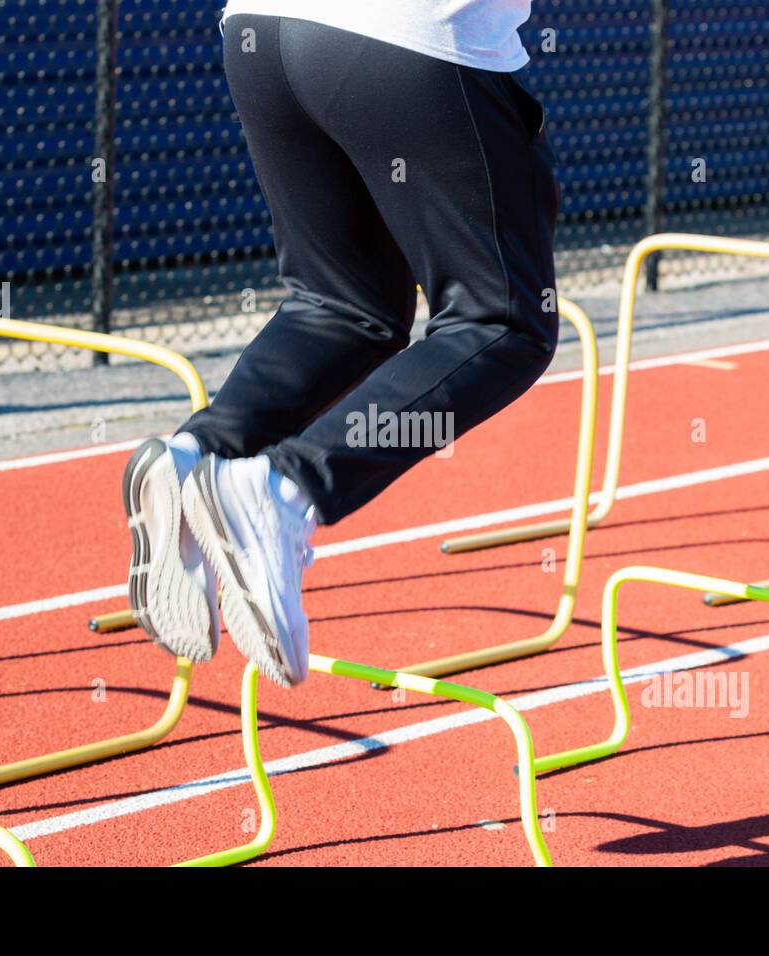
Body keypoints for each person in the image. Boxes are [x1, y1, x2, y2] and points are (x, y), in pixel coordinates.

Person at [124, 1, 560, 687]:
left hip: (261, 33)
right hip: (414, 40)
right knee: (503, 323)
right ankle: (284, 487)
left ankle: (193, 457)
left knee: (342, 305)